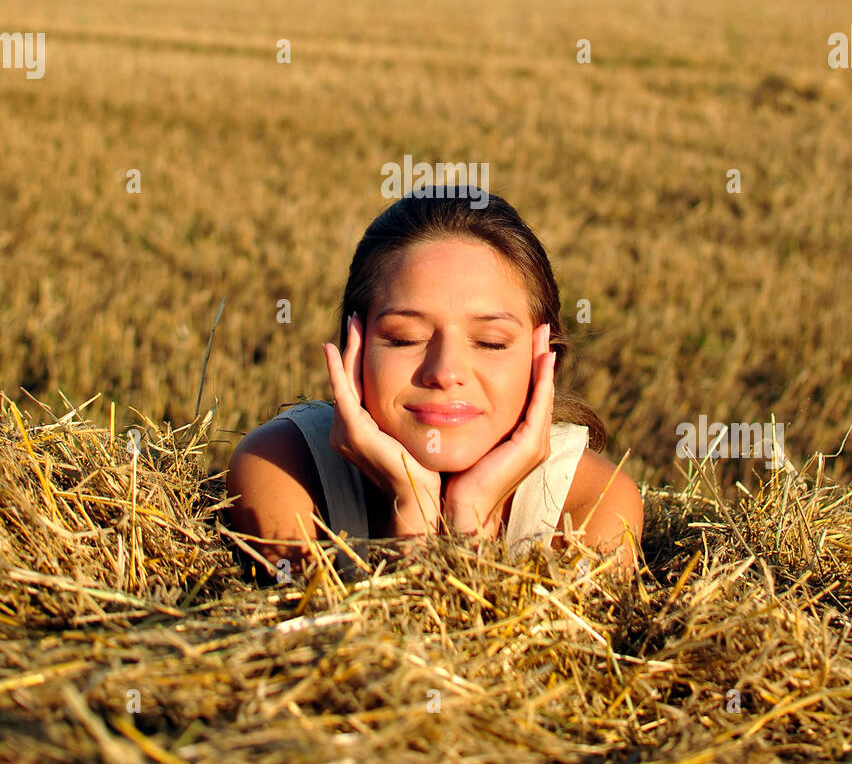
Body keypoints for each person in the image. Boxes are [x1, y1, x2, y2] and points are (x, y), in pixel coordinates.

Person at [226, 190, 643, 580]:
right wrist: (410, 511)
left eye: (491, 342)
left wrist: (471, 515)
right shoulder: (284, 469)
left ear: (542, 358)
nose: (445, 371)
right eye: (406, 338)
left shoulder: (594, 504)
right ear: (357, 344)